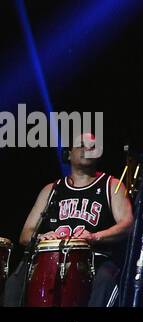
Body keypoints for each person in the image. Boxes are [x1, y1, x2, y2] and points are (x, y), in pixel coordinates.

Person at [3, 131, 133, 307]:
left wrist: (94, 236)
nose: (87, 149)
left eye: (92, 146)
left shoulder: (112, 185)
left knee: (106, 280)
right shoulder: (51, 189)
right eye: (81, 145)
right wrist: (41, 237)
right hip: (50, 260)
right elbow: (26, 234)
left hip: (95, 259)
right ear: (68, 153)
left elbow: (127, 224)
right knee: (14, 282)